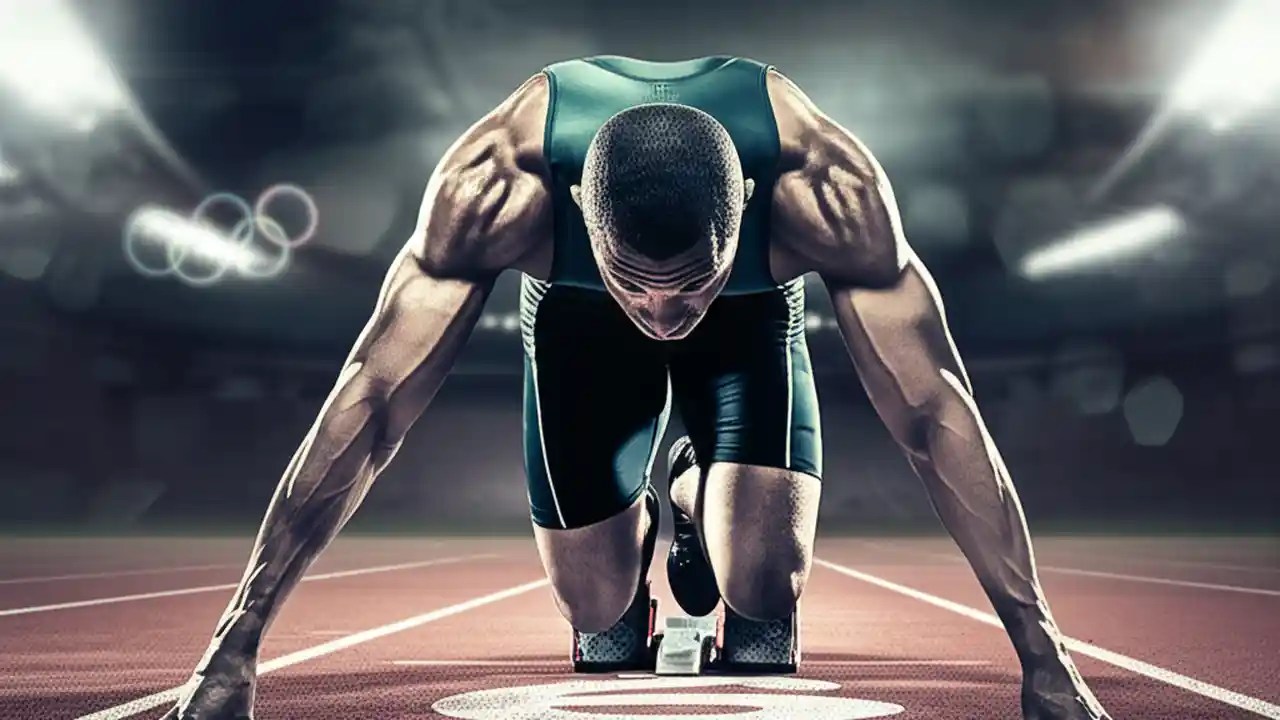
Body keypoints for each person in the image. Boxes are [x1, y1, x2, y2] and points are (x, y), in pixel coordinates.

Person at [164, 56, 1110, 720]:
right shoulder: (499, 189)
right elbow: (369, 406)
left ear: (746, 202)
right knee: (598, 616)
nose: (664, 315)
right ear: (576, 208)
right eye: (640, 284)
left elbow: (934, 414)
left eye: (687, 283)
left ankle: (699, 489)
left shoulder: (825, 192)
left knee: (761, 591)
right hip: (579, 329)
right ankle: (658, 510)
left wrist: (1045, 657)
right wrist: (235, 644)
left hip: (749, 326)